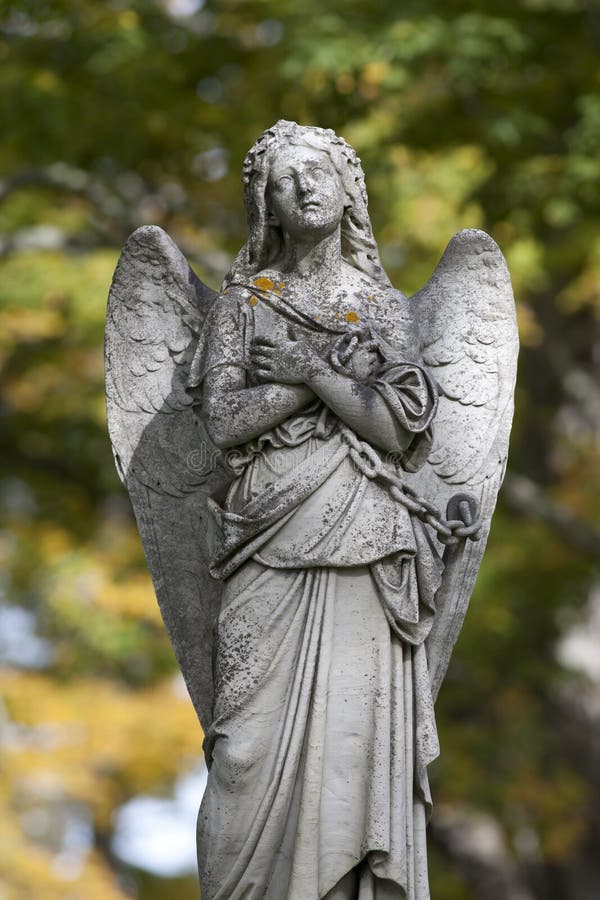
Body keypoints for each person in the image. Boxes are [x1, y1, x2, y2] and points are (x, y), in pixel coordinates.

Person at [188, 120, 442, 900]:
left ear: (349, 189)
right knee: (240, 747)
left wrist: (304, 369)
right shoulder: (243, 305)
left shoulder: (381, 307)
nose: (305, 186)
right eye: (285, 177)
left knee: (352, 747)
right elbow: (224, 420)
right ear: (264, 204)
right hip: (266, 536)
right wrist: (324, 379)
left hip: (364, 543)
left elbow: (399, 426)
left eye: (319, 170)